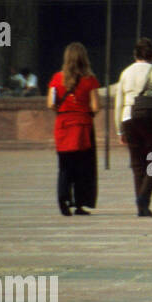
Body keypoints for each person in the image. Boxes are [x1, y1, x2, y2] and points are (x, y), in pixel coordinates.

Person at [114, 37, 152, 217]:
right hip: (148, 119)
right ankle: (144, 197)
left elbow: (118, 102)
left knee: (137, 163)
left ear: (135, 54)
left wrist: (119, 129)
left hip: (128, 118)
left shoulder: (126, 72)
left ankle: (141, 204)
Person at [47, 43, 100, 216]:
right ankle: (79, 204)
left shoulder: (57, 78)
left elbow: (50, 103)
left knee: (64, 166)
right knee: (83, 167)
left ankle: (63, 200)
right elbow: (96, 106)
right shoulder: (89, 80)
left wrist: (63, 112)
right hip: (83, 126)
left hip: (63, 125)